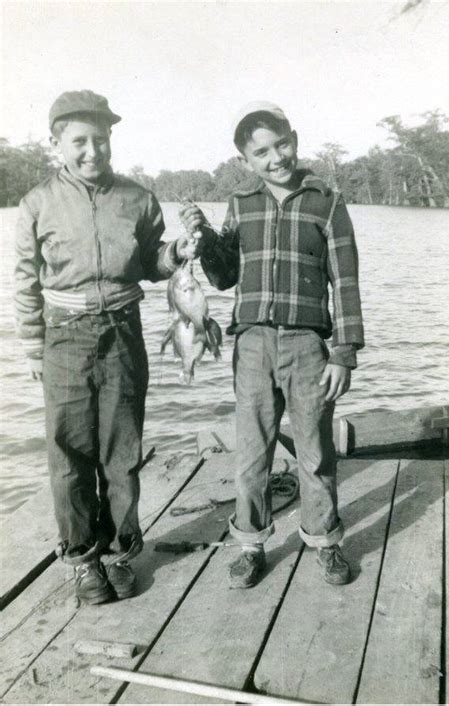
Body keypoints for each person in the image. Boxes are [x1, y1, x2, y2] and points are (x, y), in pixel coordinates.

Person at [14, 90, 198, 604]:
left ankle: (119, 552)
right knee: (70, 456)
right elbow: (25, 282)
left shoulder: (137, 198)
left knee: (122, 452)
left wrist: (176, 253)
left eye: (100, 139)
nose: (91, 150)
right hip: (64, 338)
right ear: (58, 144)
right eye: (79, 141)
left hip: (122, 331)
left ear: (111, 139)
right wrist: (33, 347)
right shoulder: (37, 203)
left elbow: (150, 264)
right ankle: (81, 559)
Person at [180, 101, 364, 588]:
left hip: (308, 348)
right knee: (252, 453)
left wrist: (344, 352)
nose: (275, 157)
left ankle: (324, 541)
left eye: (281, 144)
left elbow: (345, 282)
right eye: (261, 152)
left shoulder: (327, 200)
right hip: (253, 346)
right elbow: (222, 278)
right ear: (246, 160)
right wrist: (203, 239)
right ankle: (250, 545)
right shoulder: (241, 203)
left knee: (316, 452)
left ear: (295, 139)